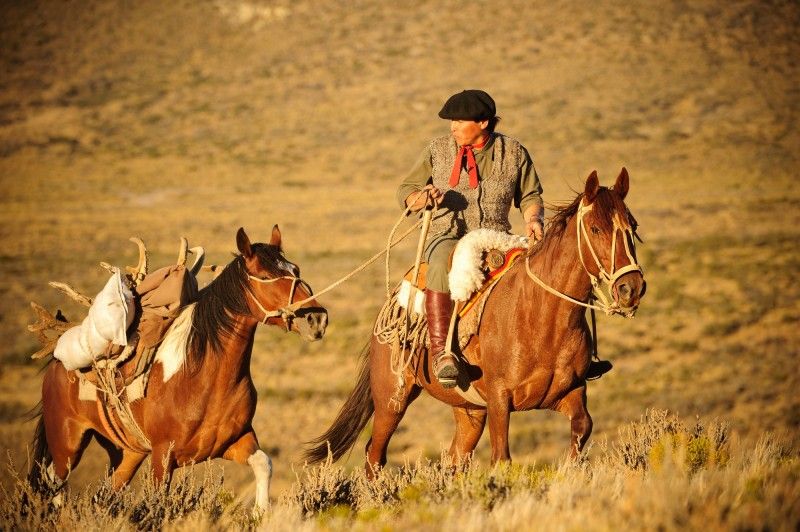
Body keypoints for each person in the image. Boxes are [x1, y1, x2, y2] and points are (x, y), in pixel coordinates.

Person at [397, 89, 545, 388]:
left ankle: (565, 354)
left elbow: (530, 195)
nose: (452, 127)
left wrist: (533, 219)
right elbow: (407, 190)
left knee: (546, 269)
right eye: (451, 121)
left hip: (496, 235)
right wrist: (421, 198)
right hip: (447, 234)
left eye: (459, 121)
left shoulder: (514, 152)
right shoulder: (437, 150)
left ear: (484, 123)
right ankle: (442, 353)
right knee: (439, 264)